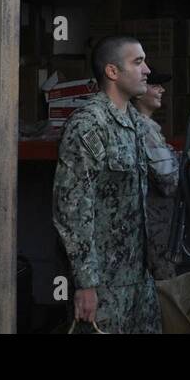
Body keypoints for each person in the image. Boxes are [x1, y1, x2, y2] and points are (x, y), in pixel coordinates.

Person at [52, 35, 161, 333]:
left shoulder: (134, 124)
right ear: (112, 72)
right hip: (104, 286)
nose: (147, 70)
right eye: (137, 62)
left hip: (139, 279)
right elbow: (71, 209)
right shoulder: (89, 125)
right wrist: (86, 283)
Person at [131, 72, 181, 281]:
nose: (162, 90)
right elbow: (168, 181)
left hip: (145, 228)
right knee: (165, 293)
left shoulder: (135, 124)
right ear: (139, 93)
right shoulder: (145, 129)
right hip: (155, 228)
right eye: (154, 85)